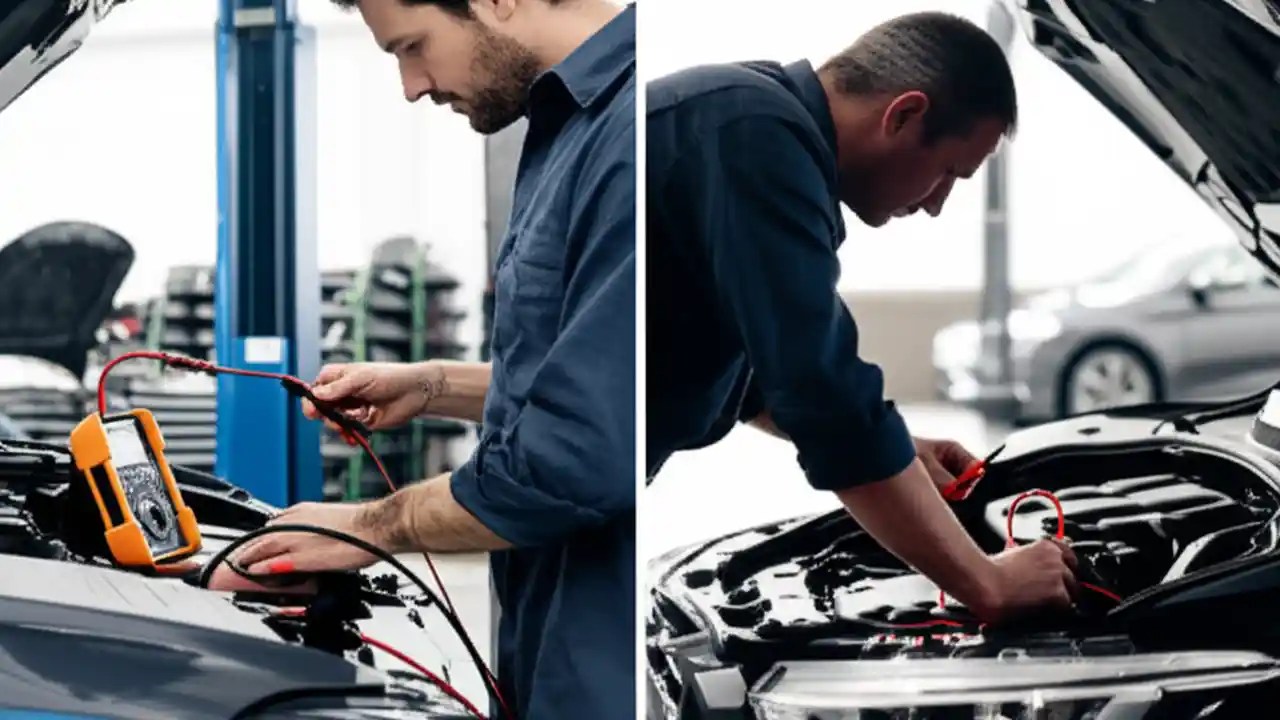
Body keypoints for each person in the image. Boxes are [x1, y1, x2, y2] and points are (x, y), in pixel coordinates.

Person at [208, 1, 636, 719]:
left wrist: (371, 527)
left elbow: (575, 452)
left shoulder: (632, 139)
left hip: (602, 654)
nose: (411, 85)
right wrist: (433, 385)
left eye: (412, 47)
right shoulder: (566, 129)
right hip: (548, 634)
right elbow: (597, 379)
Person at [646, 11, 1078, 624]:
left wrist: (898, 451)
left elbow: (757, 376)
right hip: (570, 486)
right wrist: (988, 582)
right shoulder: (754, 138)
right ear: (902, 114)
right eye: (949, 173)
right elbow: (823, 395)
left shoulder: (747, 123)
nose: (935, 205)